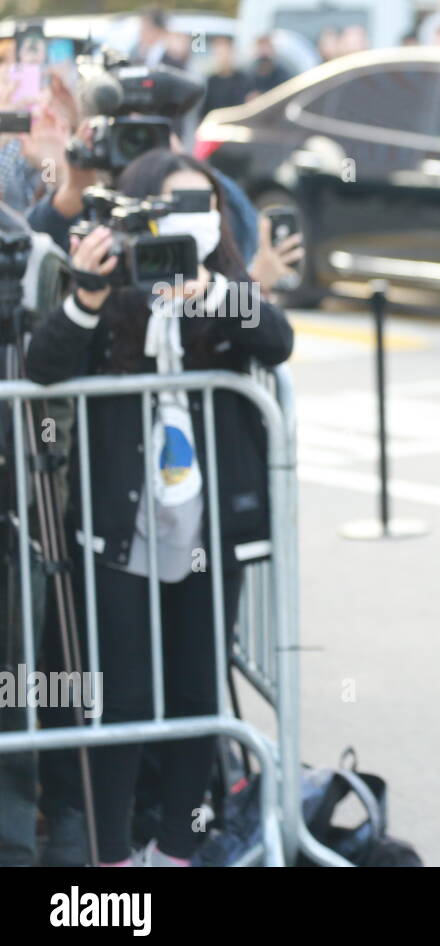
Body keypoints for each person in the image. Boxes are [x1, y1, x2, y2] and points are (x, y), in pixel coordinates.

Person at [24, 148, 294, 866]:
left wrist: (210, 292)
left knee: (198, 691)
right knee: (126, 700)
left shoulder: (223, 286)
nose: (193, 218)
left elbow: (278, 339)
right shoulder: (109, 283)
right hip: (119, 525)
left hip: (210, 526)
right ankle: (114, 861)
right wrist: (87, 294)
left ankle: (178, 850)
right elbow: (43, 369)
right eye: (173, 205)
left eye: (203, 204)